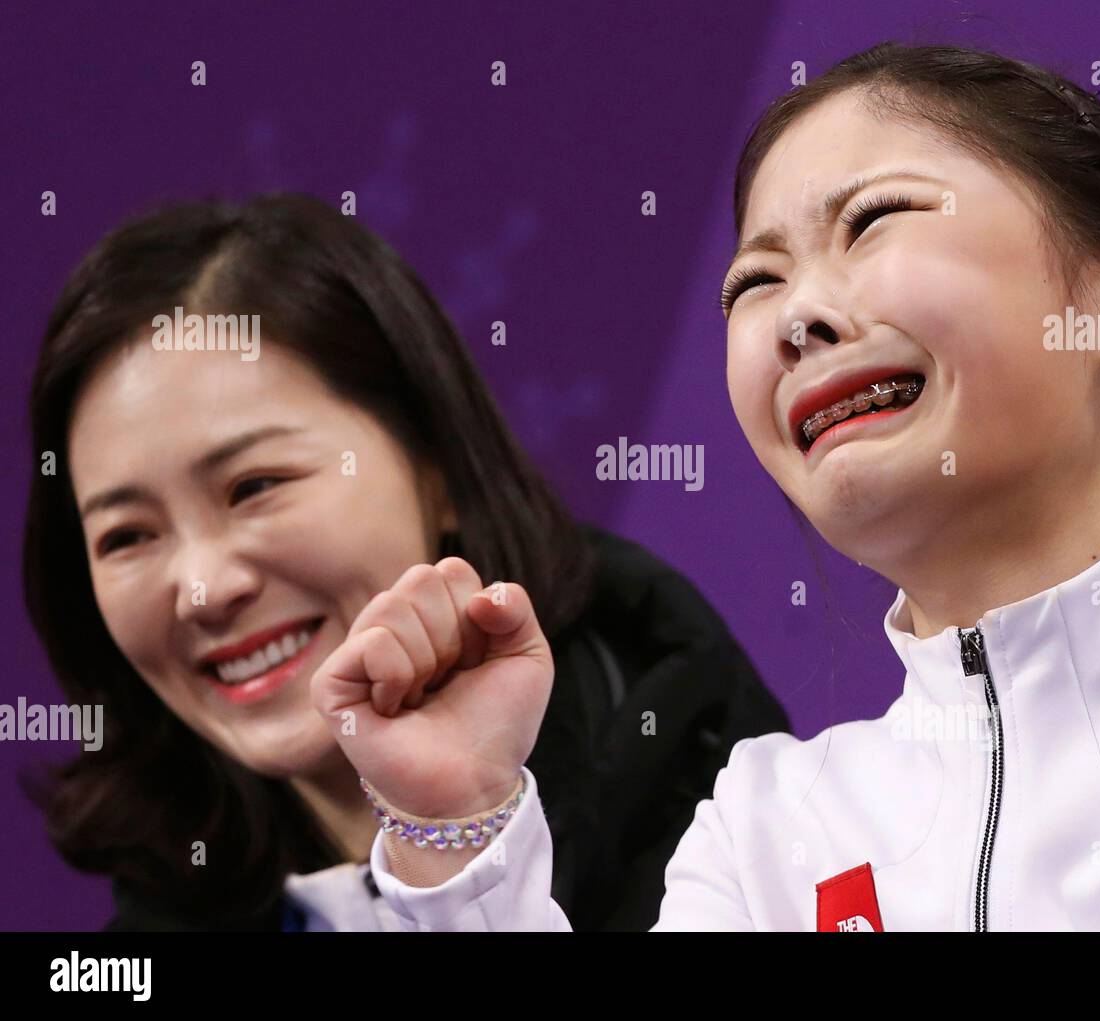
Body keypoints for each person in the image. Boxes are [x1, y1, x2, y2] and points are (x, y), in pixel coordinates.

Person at [324, 42, 1100, 932]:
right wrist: (453, 829)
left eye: (871, 220)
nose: (795, 319)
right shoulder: (768, 831)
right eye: (754, 283)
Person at [20, 193, 791, 932]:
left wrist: (458, 852)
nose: (203, 588)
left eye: (255, 486)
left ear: (437, 466)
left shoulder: (740, 825)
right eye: (126, 535)